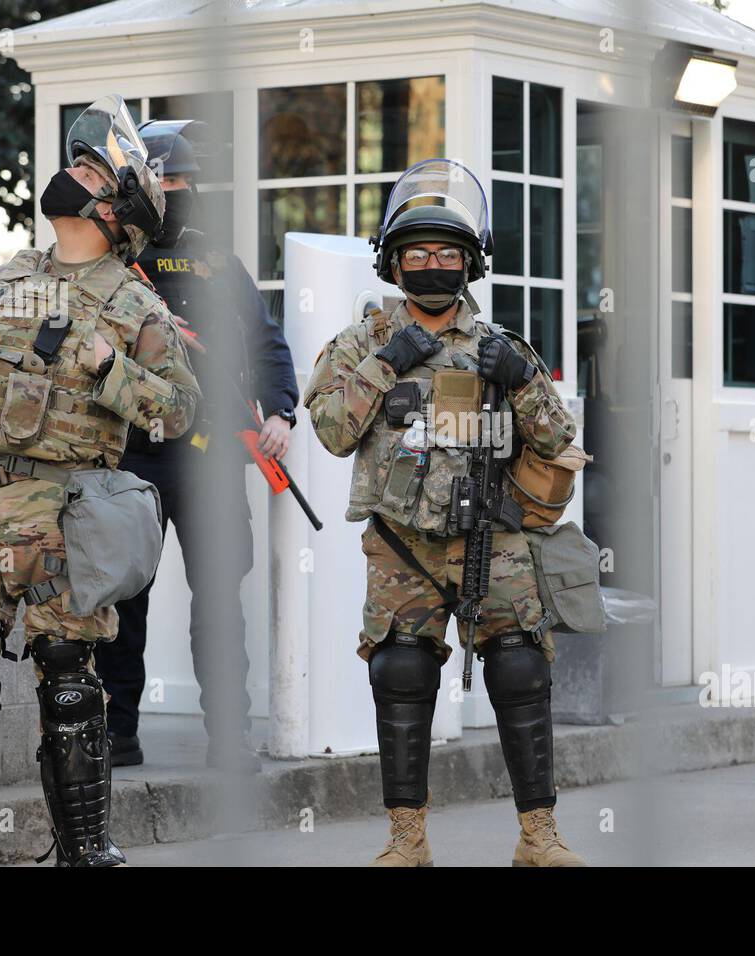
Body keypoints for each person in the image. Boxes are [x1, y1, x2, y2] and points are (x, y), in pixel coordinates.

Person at [0, 95, 200, 866]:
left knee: (69, 677)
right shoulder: (1, 281)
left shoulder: (137, 303)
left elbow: (178, 409)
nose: (70, 175)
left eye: (89, 170)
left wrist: (112, 368)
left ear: (115, 207)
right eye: (75, 162)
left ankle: (85, 851)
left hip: (67, 507)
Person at [302, 159, 584, 866]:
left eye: (448, 254)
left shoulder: (506, 350)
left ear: (471, 265)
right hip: (404, 543)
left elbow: (559, 440)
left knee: (521, 671)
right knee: (400, 673)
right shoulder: (360, 344)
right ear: (393, 265)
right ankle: (408, 839)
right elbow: (333, 432)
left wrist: (521, 381)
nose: (433, 265)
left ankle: (538, 837)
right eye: (418, 254)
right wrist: (387, 363)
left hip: (497, 537)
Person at [93, 118, 299, 771]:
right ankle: (116, 732)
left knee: (218, 602)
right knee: (123, 598)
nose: (179, 189)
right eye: (167, 179)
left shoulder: (220, 262)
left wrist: (283, 412)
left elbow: (266, 344)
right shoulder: (108, 266)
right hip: (129, 450)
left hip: (208, 455)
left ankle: (229, 739)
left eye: (187, 179)